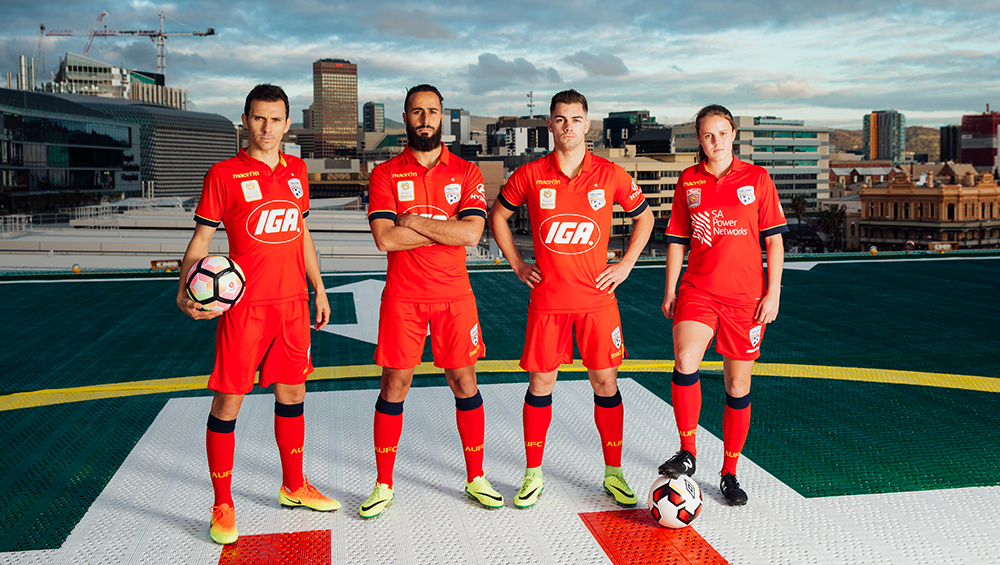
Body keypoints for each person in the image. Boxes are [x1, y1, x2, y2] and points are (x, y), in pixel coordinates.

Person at [176, 84, 338, 545]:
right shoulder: (223, 174)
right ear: (246, 120)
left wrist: (318, 287)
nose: (267, 127)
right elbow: (202, 241)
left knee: (293, 392)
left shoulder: (297, 171)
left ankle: (293, 486)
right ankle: (222, 503)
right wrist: (183, 291)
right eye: (259, 118)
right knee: (229, 400)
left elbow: (301, 234)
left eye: (276, 119)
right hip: (244, 308)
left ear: (288, 125)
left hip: (292, 305)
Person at [488, 89, 654, 509]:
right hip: (548, 301)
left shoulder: (610, 174)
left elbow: (646, 217)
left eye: (576, 119)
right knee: (540, 384)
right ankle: (532, 474)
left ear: (587, 124)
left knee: (606, 383)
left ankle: (613, 473)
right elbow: (498, 216)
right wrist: (518, 264)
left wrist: (626, 264)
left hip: (598, 300)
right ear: (550, 124)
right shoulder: (530, 174)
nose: (568, 126)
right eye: (560, 119)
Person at [361, 84, 502, 518]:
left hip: (454, 296)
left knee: (464, 382)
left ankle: (475, 477)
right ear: (405, 118)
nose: (425, 119)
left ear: (443, 117)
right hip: (403, 297)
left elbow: (471, 233)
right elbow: (385, 239)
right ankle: (383, 485)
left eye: (433, 111)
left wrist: (413, 221)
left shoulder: (466, 171)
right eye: (417, 111)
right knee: (394, 386)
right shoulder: (385, 174)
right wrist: (443, 229)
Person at [658, 104, 788, 506]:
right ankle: (688, 452)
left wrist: (773, 292)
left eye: (722, 133)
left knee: (737, 385)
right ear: (699, 139)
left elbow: (774, 241)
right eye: (708, 135)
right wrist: (670, 289)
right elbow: (677, 239)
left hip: (746, 298)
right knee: (685, 360)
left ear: (733, 134)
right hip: (698, 289)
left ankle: (729, 472)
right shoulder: (688, 180)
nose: (716, 141)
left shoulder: (757, 178)